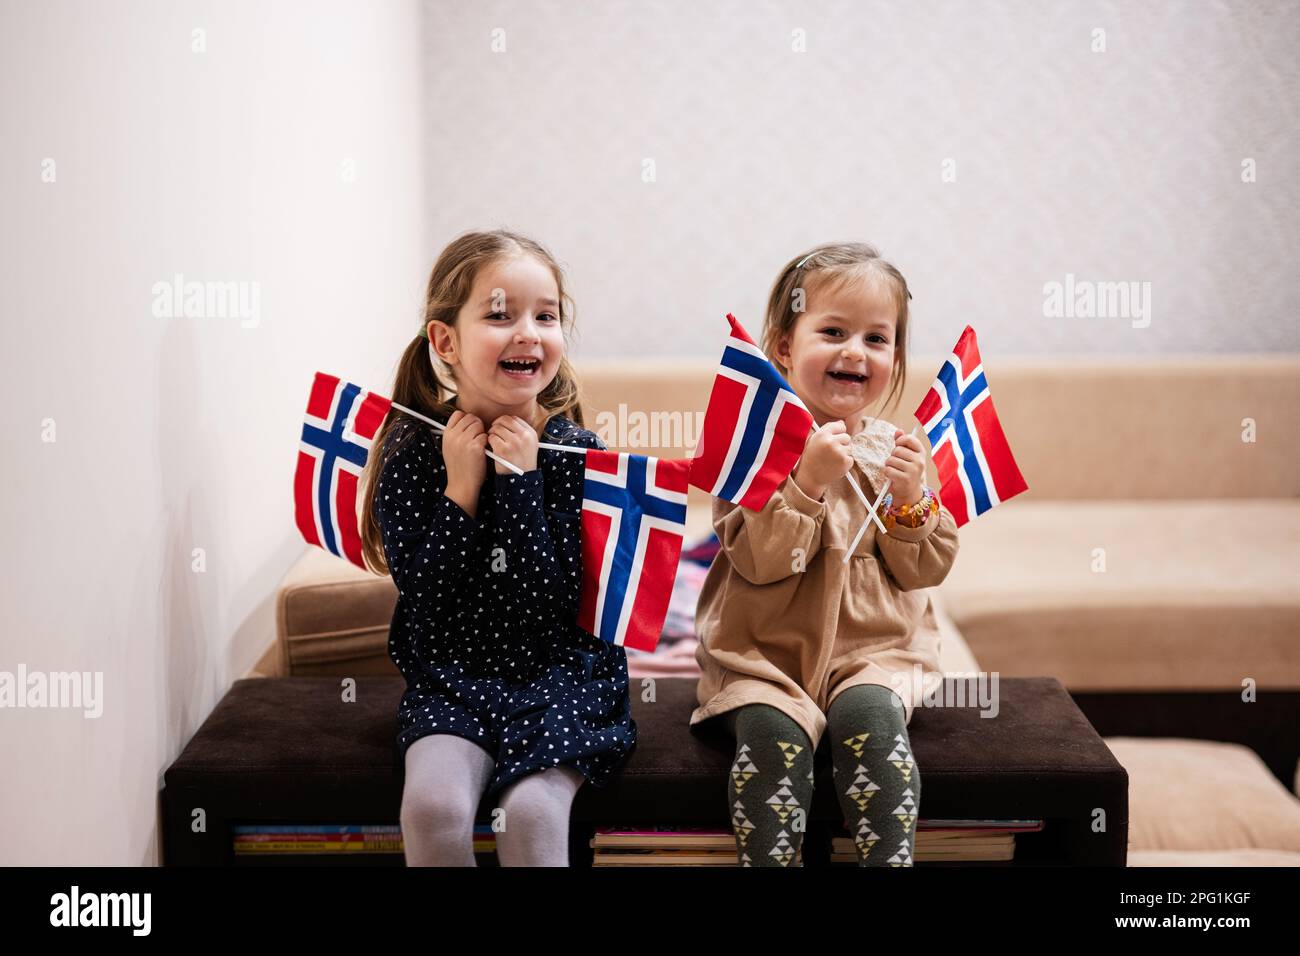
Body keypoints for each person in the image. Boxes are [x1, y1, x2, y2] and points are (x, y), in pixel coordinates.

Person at [359, 229, 635, 866]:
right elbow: (426, 595)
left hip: (558, 677)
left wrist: (519, 482)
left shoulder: (575, 453)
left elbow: (553, 600)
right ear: (445, 341)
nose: (528, 333)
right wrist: (462, 488)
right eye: (500, 314)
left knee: (534, 815)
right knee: (435, 809)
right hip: (453, 678)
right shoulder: (411, 448)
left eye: (546, 316)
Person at [690, 242, 960, 866]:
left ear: (895, 356)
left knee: (871, 723)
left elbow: (927, 567)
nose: (854, 351)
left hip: (874, 651)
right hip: (765, 656)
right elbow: (759, 561)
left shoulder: (899, 452)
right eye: (833, 331)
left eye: (877, 338)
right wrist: (806, 483)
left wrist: (912, 497)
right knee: (770, 735)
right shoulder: (756, 445)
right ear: (785, 347)